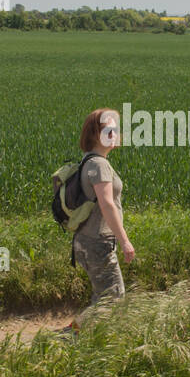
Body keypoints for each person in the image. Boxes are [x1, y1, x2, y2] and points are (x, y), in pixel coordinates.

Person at [72, 108, 134, 314]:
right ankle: (78, 339)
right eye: (109, 130)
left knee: (102, 298)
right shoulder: (100, 165)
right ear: (95, 135)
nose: (115, 133)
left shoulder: (88, 160)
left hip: (86, 240)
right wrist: (124, 241)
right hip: (98, 244)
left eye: (116, 129)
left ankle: (76, 336)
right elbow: (107, 204)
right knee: (113, 299)